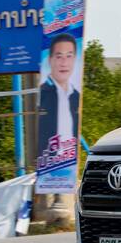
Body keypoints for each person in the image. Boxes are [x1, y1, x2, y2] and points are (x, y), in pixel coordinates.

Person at [37, 33, 80, 161]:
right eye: (59, 56)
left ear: (74, 60)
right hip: (47, 170)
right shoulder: (41, 94)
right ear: (50, 60)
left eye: (69, 56)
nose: (64, 63)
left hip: (70, 170)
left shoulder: (77, 97)